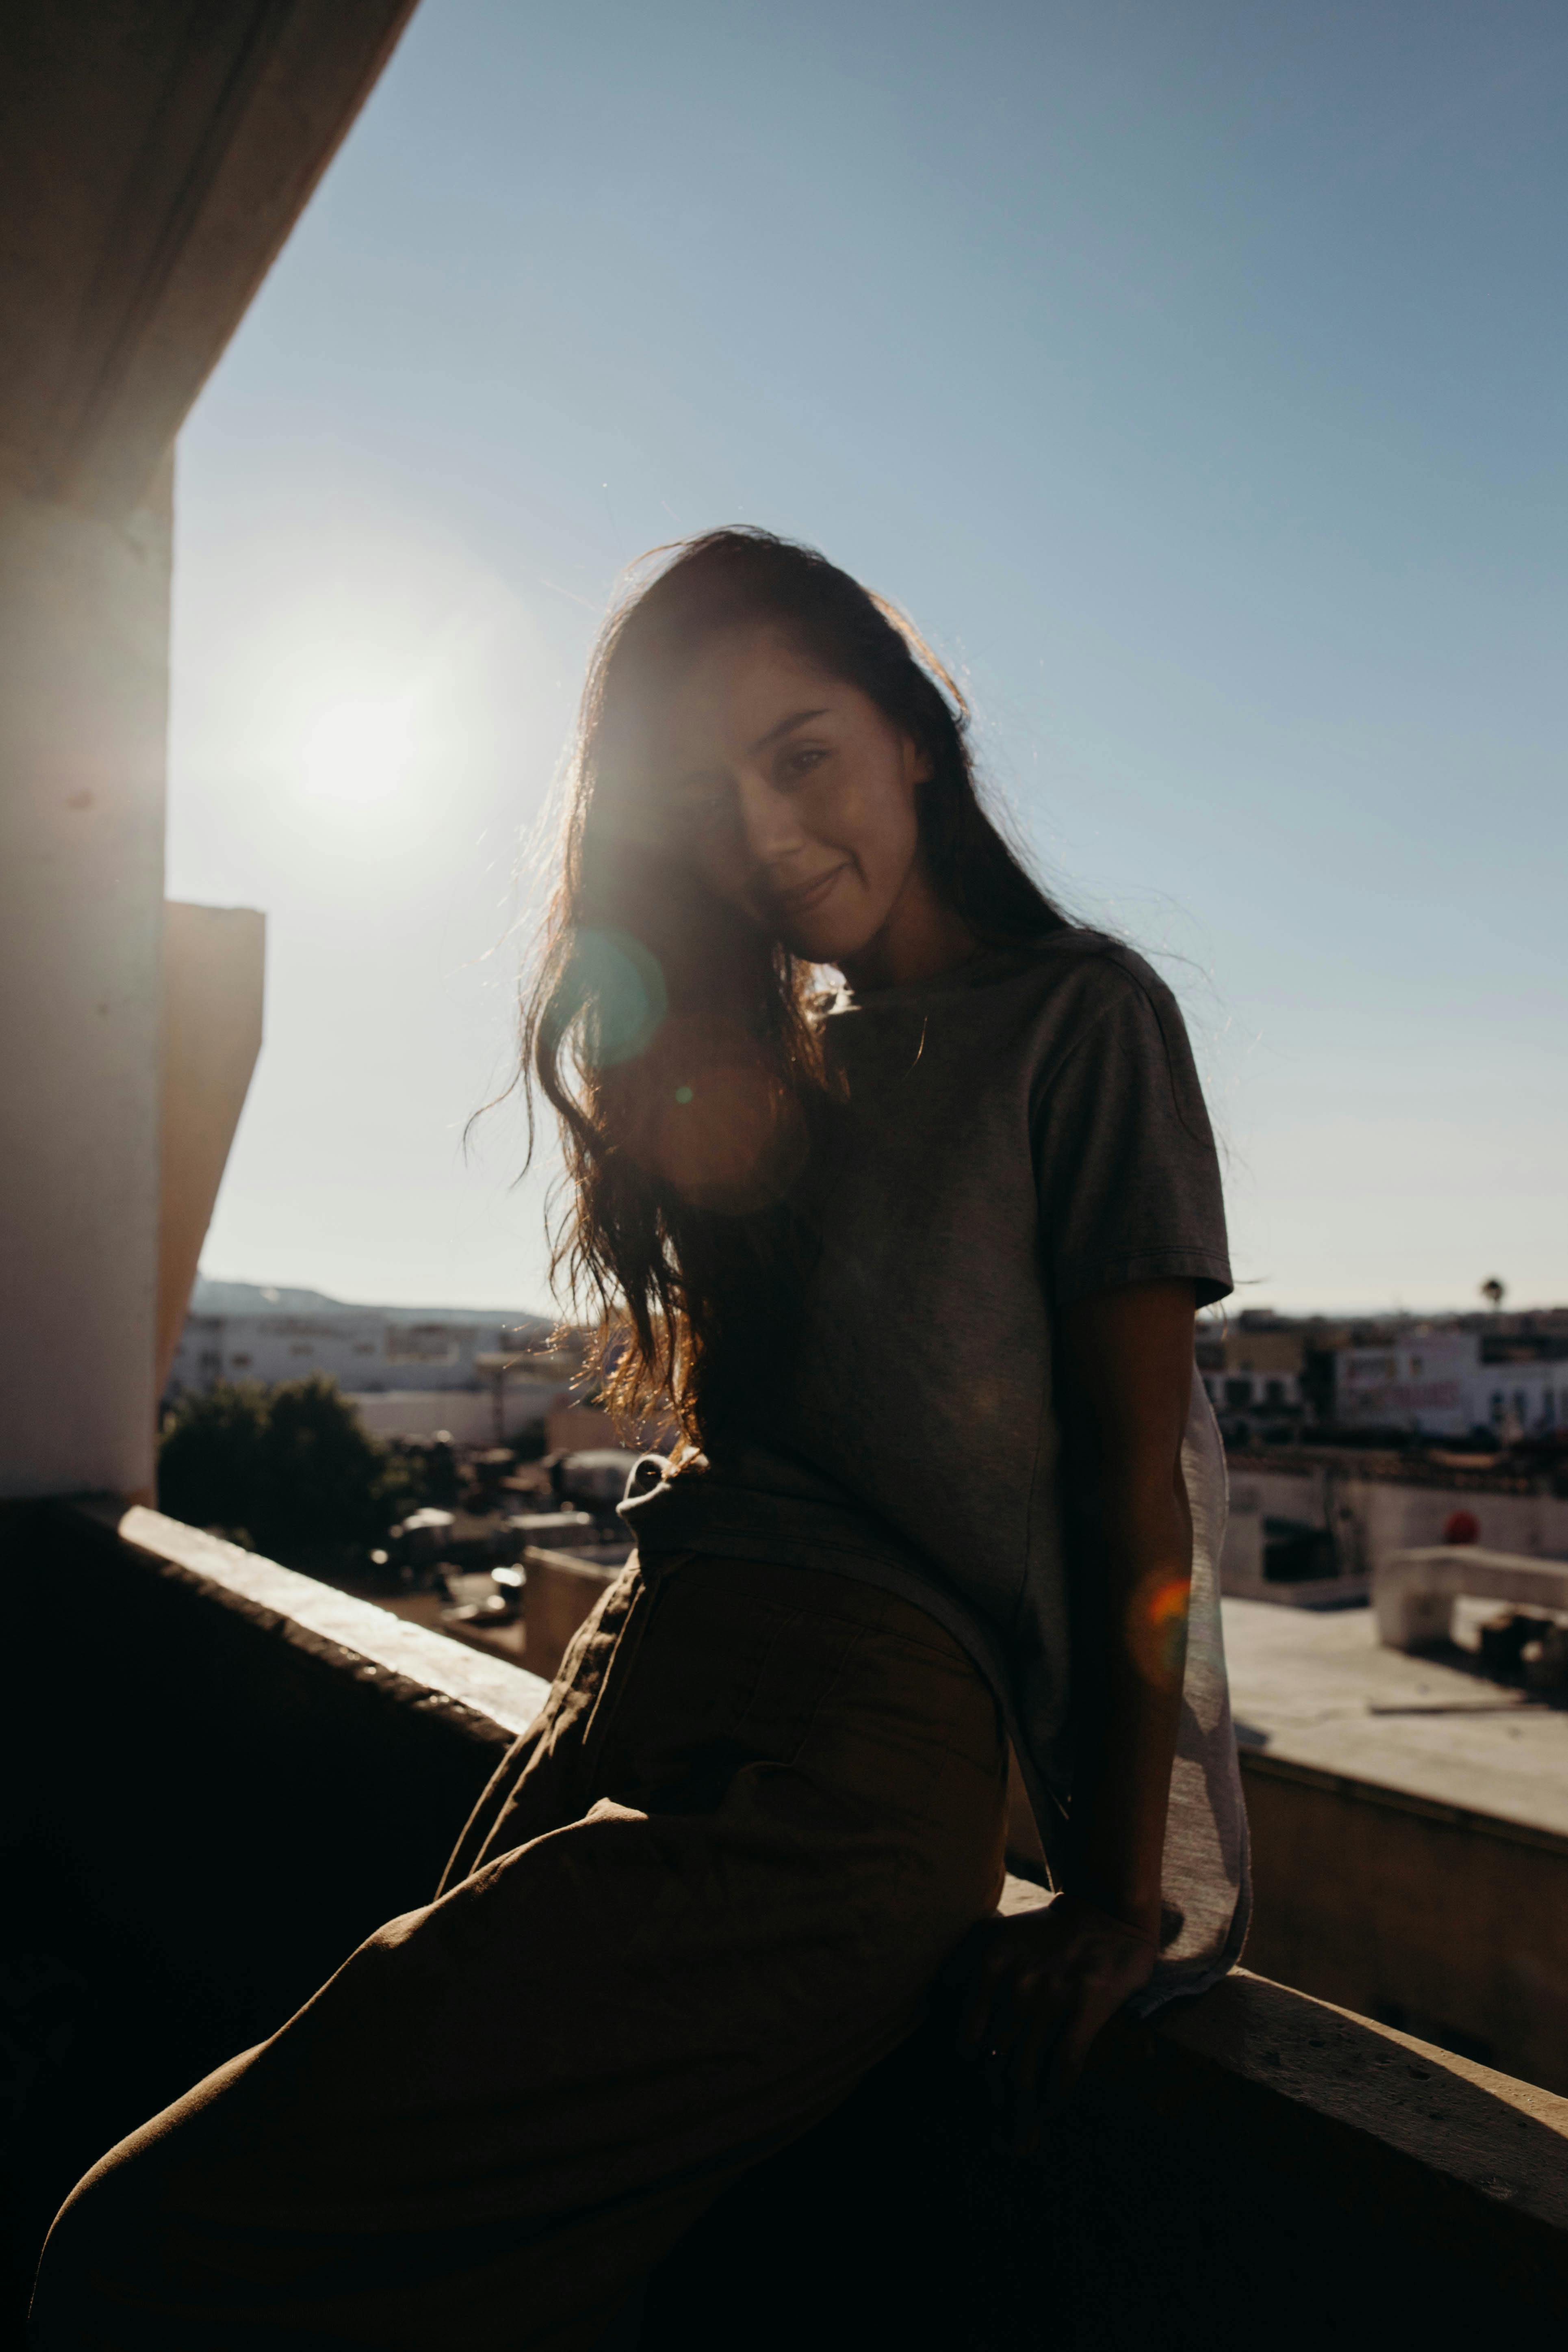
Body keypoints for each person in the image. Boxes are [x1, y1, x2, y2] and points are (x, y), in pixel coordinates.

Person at [32, 529, 1247, 2349]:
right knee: (475, 2277)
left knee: (150, 2248)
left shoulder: (1081, 1023)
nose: (762, 834)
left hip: (847, 1761)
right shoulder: (787, 1060)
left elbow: (1124, 1476)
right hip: (633, 1674)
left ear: (916, 731)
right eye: (706, 793)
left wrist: (1114, 1892)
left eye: (803, 752)